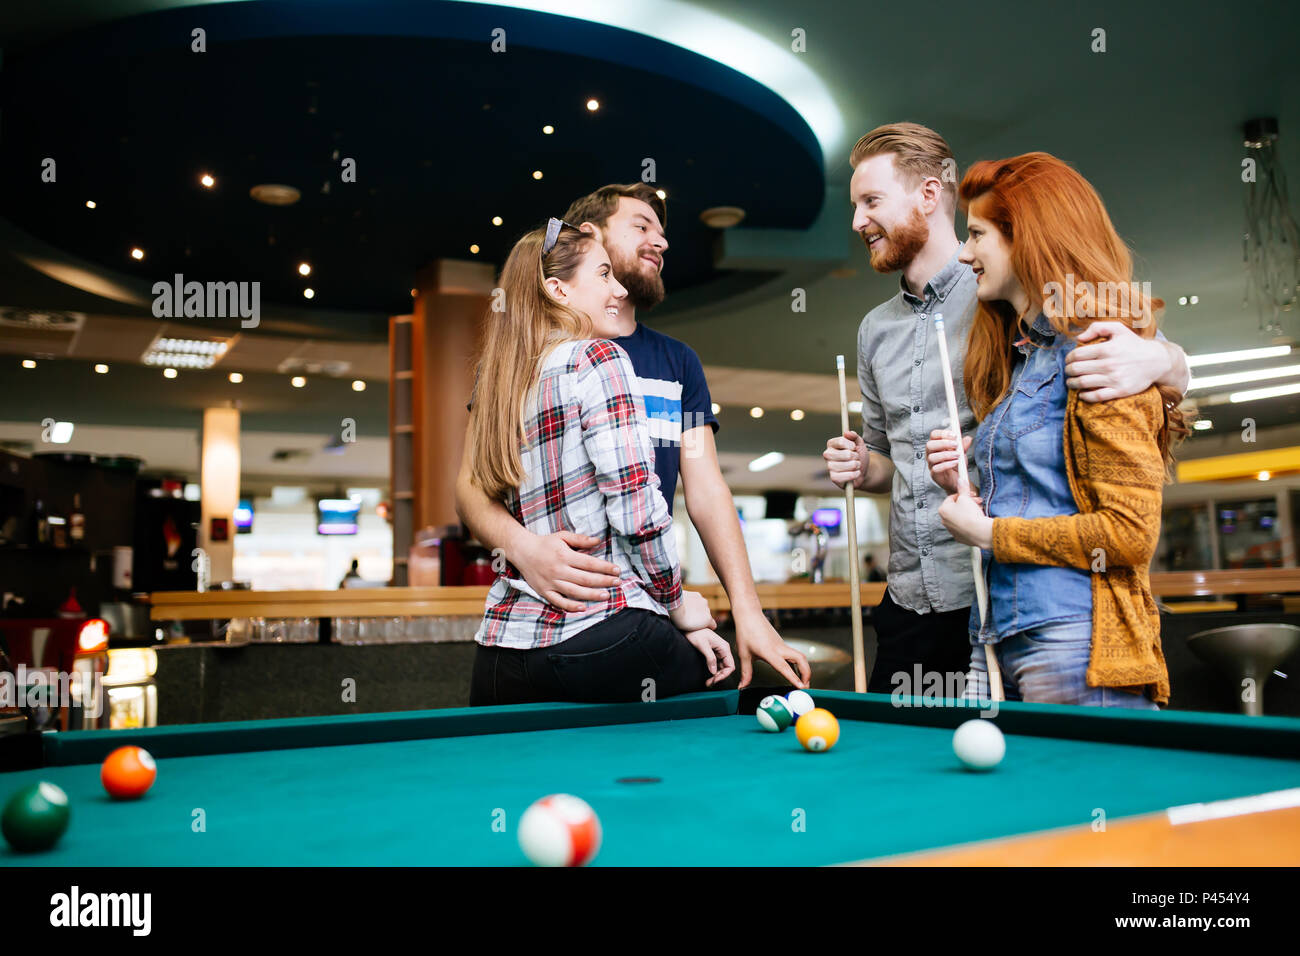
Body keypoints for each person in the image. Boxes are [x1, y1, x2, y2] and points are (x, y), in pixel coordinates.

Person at [823, 123, 1189, 695]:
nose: (856, 221)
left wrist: (1167, 360)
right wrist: (869, 467)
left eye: (871, 201)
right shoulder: (891, 330)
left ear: (927, 195)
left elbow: (1124, 346)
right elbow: (904, 457)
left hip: (1003, 595)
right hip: (932, 606)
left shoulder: (1015, 303)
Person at [457, 184, 810, 689]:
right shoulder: (584, 359)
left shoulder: (675, 362)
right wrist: (524, 547)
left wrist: (747, 609)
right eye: (642, 226)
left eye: (663, 233)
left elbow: (707, 491)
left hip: (508, 638)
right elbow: (473, 484)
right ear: (590, 236)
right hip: (611, 622)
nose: (660, 242)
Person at [929, 152, 1184, 707]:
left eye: (976, 235)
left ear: (1026, 237)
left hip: (1075, 637)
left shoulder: (1101, 355)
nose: (965, 253)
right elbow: (1040, 499)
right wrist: (964, 482)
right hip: (997, 632)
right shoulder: (1018, 359)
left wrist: (990, 535)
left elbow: (1127, 535)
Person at [464, 218, 734, 705]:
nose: (618, 287)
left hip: (502, 652)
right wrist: (678, 605)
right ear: (558, 289)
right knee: (727, 686)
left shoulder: (501, 378)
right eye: (604, 274)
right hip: (603, 635)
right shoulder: (601, 359)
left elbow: (475, 491)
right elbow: (638, 515)